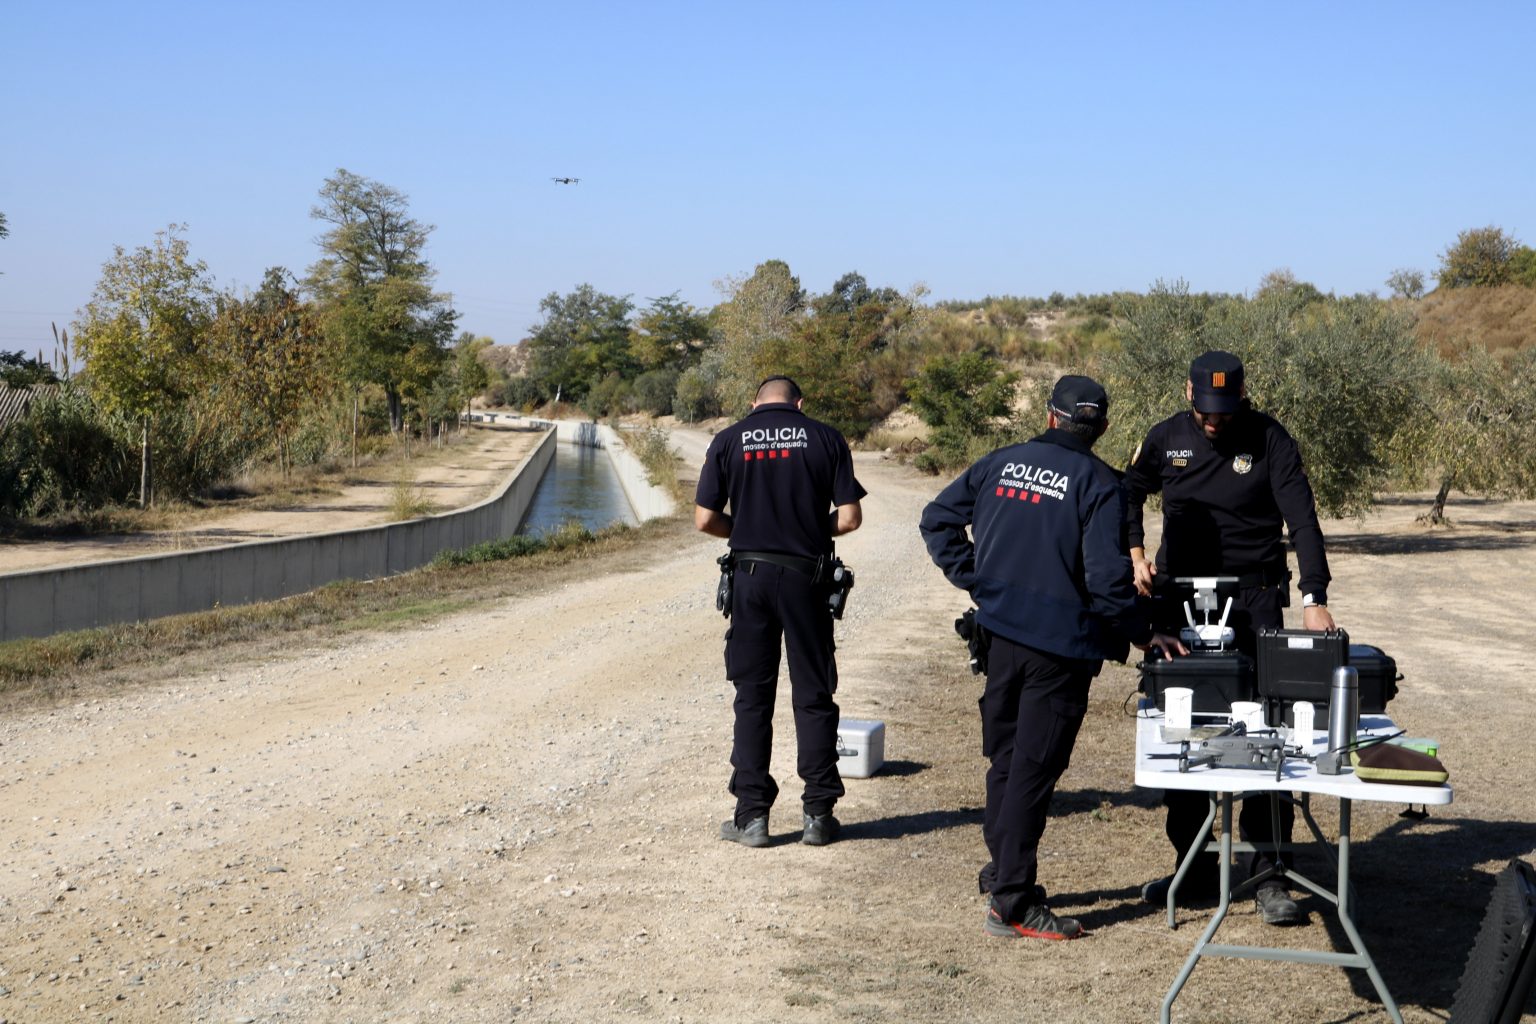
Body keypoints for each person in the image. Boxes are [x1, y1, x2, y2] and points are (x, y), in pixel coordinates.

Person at [920, 375, 1181, 941]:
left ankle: (1002, 874)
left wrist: (980, 583)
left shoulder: (1001, 462)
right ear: (1103, 428)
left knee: (1008, 763)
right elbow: (1109, 584)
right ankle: (1011, 904)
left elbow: (936, 519)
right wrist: (1145, 633)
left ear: (1049, 416)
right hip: (1058, 652)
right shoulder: (1099, 484)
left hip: (999, 638)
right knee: (1032, 773)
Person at [1125, 349, 1336, 927]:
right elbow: (1127, 491)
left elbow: (1303, 519)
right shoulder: (1165, 436)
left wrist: (1314, 598)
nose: (1216, 422)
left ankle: (1268, 872)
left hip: (1255, 599)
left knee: (1268, 729)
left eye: (1227, 410)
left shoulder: (1270, 439)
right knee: (1184, 729)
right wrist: (1135, 553)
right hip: (1181, 598)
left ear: (1242, 397)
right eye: (1207, 411)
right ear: (1189, 394)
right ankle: (1191, 867)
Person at [695, 375, 866, 849]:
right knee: (812, 694)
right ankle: (818, 814)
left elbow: (705, 519)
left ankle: (752, 817)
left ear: (754, 403)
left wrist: (746, 529)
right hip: (806, 578)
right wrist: (811, 529)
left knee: (753, 697)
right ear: (799, 403)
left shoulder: (729, 439)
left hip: (749, 577)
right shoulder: (827, 438)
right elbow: (849, 517)